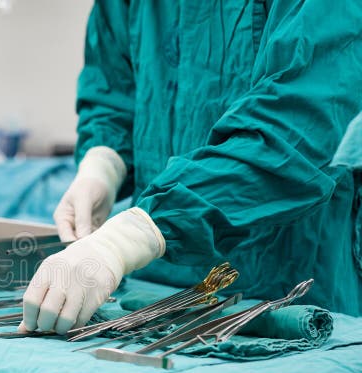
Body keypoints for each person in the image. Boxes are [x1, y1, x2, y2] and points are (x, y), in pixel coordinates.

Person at [22, 1, 362, 334]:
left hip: (286, 297)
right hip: (150, 289)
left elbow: (301, 125)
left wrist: (132, 237)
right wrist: (103, 163)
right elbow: (116, 83)